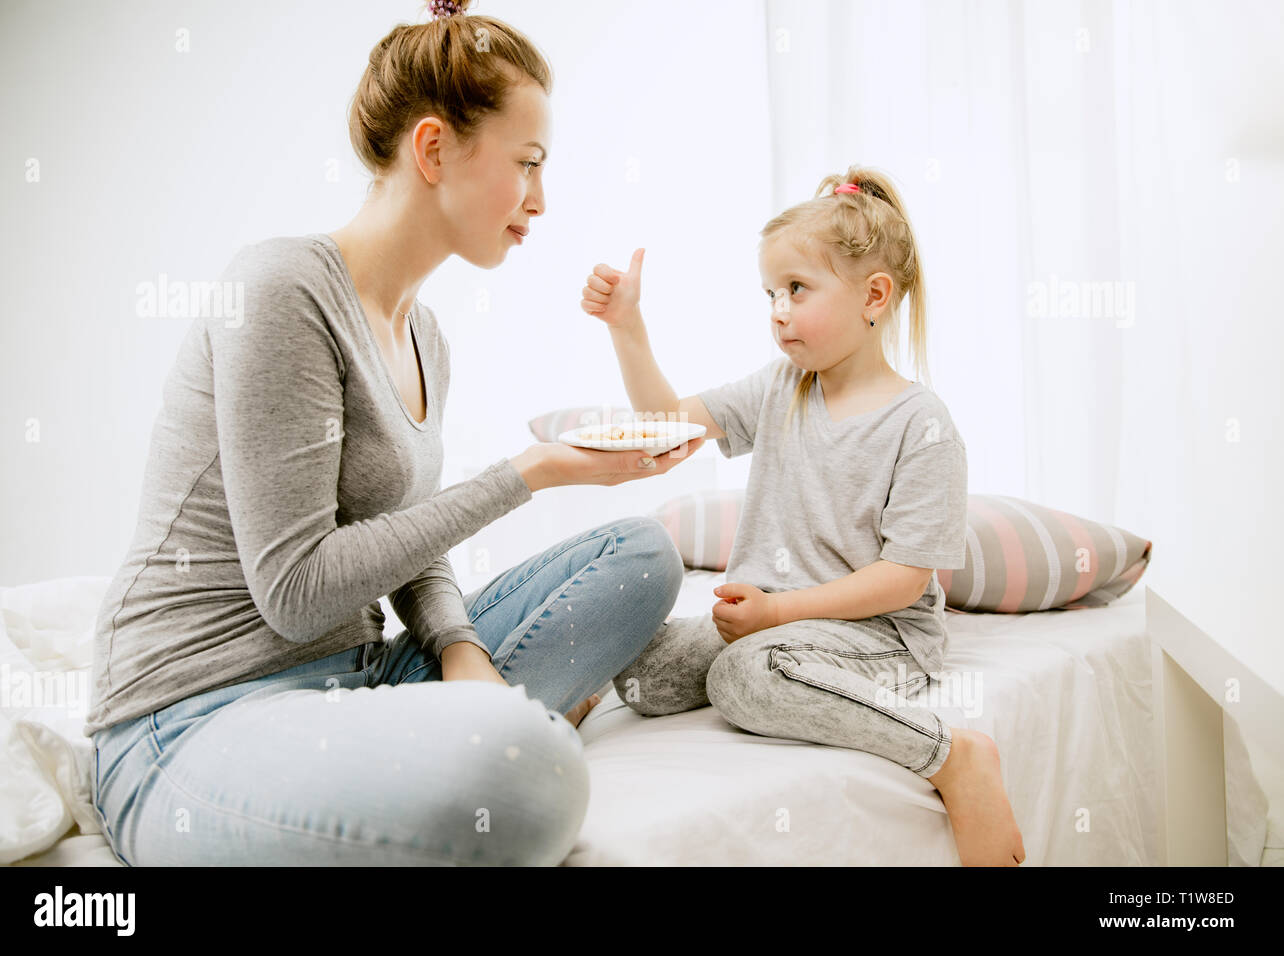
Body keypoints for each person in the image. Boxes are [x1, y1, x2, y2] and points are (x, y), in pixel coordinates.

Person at [84, 2, 705, 867]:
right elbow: (296, 592)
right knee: (534, 782)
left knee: (643, 555)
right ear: (433, 149)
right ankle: (494, 740)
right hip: (196, 717)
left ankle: (459, 727)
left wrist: (458, 650)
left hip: (360, 679)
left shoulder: (425, 336)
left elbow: (405, 540)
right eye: (527, 165)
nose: (541, 200)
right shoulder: (281, 291)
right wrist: (529, 474)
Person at [582, 168, 1026, 866]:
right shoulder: (781, 388)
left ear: (874, 296)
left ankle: (955, 756)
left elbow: (904, 580)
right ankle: (553, 703)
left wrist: (778, 614)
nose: (777, 311)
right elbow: (669, 426)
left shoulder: (921, 424)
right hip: (775, 620)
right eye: (770, 293)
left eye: (797, 290)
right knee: (641, 665)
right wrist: (627, 328)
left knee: (744, 677)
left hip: (878, 635)